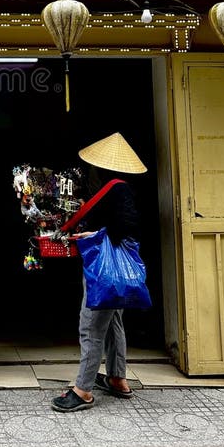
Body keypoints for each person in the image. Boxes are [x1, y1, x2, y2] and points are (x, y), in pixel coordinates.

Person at [51, 132, 147, 413]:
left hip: (104, 272)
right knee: (114, 323)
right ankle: (117, 378)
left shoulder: (117, 190)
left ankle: (83, 390)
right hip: (116, 273)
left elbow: (125, 226)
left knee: (91, 327)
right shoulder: (122, 189)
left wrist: (95, 233)